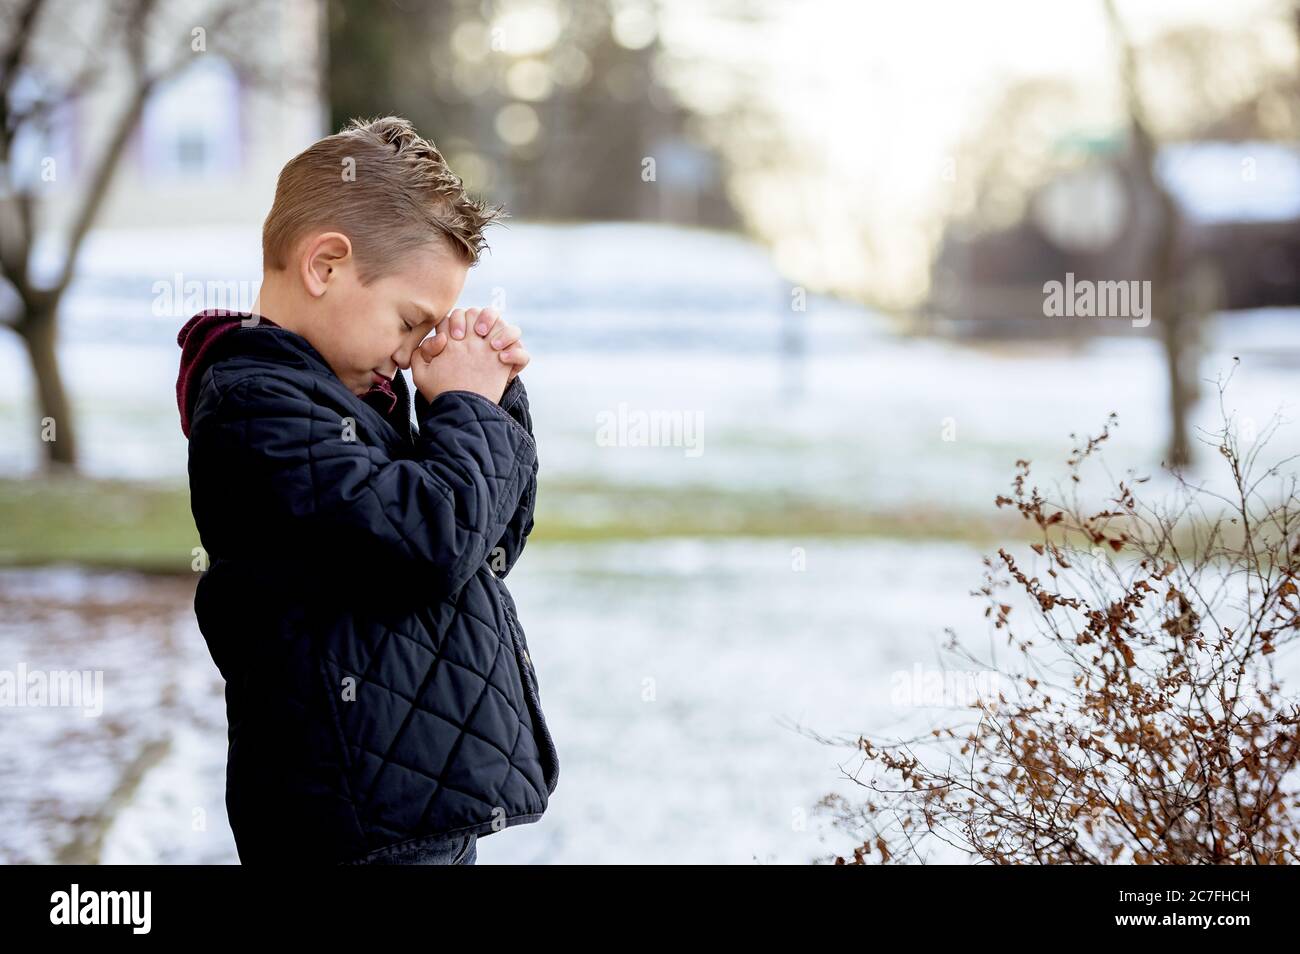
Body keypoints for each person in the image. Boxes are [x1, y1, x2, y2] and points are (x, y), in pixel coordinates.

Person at [175, 116, 559, 866]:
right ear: (325, 266)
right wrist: (467, 410)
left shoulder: (359, 404)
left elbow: (491, 546)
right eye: (413, 321)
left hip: (413, 814)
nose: (417, 351)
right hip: (347, 829)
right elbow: (427, 545)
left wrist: (491, 399)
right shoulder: (255, 407)